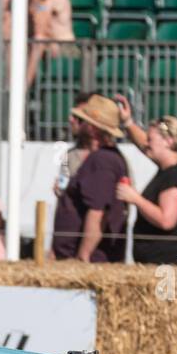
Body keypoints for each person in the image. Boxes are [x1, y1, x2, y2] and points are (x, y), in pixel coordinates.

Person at [114, 98, 177, 265]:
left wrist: (135, 198)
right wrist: (128, 122)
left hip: (168, 264)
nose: (146, 144)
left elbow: (166, 220)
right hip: (156, 262)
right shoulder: (168, 167)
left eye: (150, 140)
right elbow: (144, 144)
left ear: (169, 141)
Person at [51, 94, 129, 262]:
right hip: (74, 257)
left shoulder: (101, 161)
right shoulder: (106, 158)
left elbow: (97, 213)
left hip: (85, 260)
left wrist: (83, 256)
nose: (77, 122)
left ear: (93, 128)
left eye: (83, 120)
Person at [27, 0, 76, 91]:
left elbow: (40, 27)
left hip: (66, 48)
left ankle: (24, 86)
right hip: (51, 48)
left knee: (39, 41)